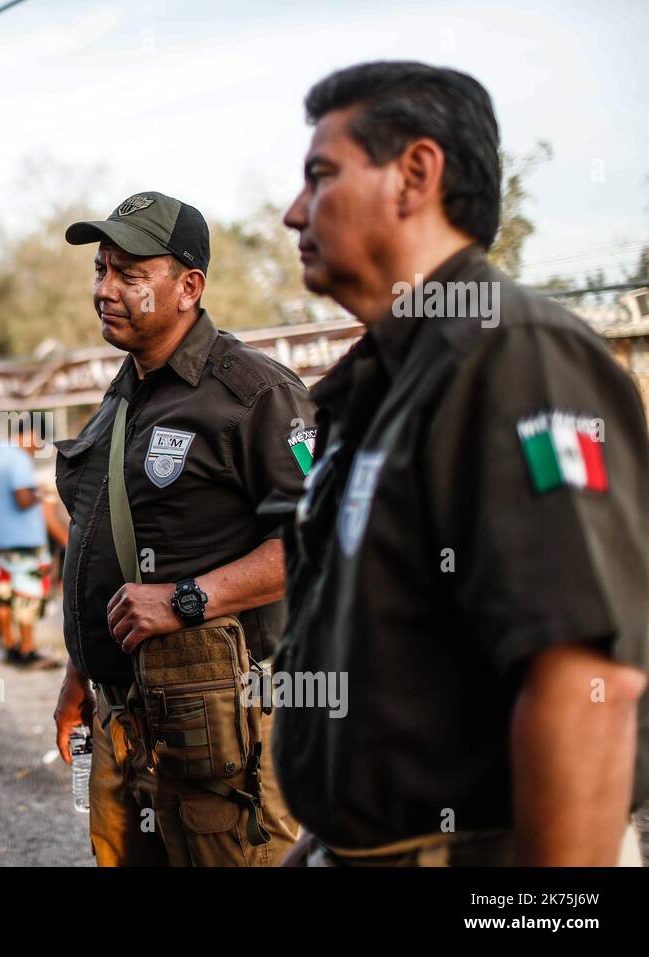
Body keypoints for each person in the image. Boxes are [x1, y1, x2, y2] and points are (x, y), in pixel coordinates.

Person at [276, 61, 649, 866]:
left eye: (320, 175)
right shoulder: (385, 380)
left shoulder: (514, 353)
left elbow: (587, 684)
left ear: (415, 174)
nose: (293, 211)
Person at [51, 191, 313, 866]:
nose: (105, 289)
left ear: (189, 287)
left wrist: (184, 598)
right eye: (100, 269)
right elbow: (104, 547)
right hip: (121, 722)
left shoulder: (254, 393)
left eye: (129, 273)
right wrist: (80, 679)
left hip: (222, 733)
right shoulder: (120, 397)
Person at [0, 414, 52, 667]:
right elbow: (22, 500)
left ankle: (9, 648)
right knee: (27, 596)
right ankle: (27, 651)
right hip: (26, 541)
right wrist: (40, 492)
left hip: (2, 539)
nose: (36, 448)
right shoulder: (18, 459)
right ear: (32, 433)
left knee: (4, 596)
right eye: (38, 442)